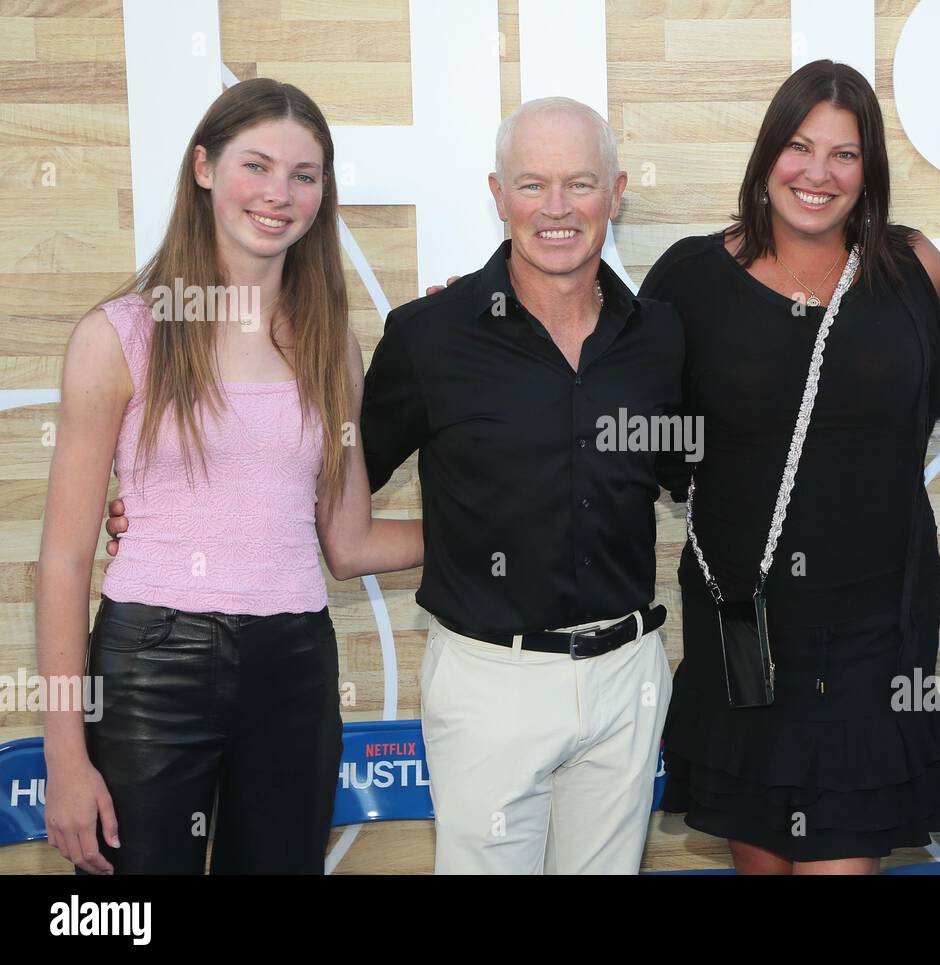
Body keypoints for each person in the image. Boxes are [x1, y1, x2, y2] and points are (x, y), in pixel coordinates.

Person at [42, 78, 422, 875]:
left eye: (305, 174)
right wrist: (66, 757)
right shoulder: (120, 336)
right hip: (149, 668)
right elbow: (66, 560)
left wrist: (503, 524)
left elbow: (347, 542)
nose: (279, 194)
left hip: (295, 663)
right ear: (204, 168)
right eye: (258, 165)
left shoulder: (332, 346)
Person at [639, 60, 940, 874]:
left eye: (844, 155)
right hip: (745, 623)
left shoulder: (914, 269)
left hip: (874, 632)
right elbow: (624, 401)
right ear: (766, 152)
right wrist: (487, 311)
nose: (817, 173)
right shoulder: (690, 275)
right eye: (798, 146)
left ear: (869, 170)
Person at [359, 97, 681, 874]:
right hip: (487, 680)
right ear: (498, 194)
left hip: (628, 673)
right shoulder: (427, 337)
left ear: (616, 190)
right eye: (532, 186)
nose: (558, 209)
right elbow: (330, 487)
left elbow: (697, 478)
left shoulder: (662, 336)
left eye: (580, 183)